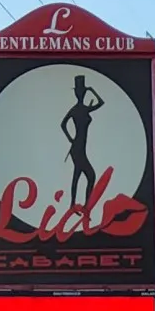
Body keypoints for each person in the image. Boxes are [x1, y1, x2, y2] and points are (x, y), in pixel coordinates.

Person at [60, 73, 105, 214]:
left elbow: (101, 103)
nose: (81, 94)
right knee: (89, 175)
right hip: (77, 147)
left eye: (83, 92)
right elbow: (63, 124)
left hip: (79, 146)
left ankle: (76, 205)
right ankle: (83, 207)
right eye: (81, 92)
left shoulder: (83, 108)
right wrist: (70, 138)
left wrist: (91, 90)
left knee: (78, 174)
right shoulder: (78, 109)